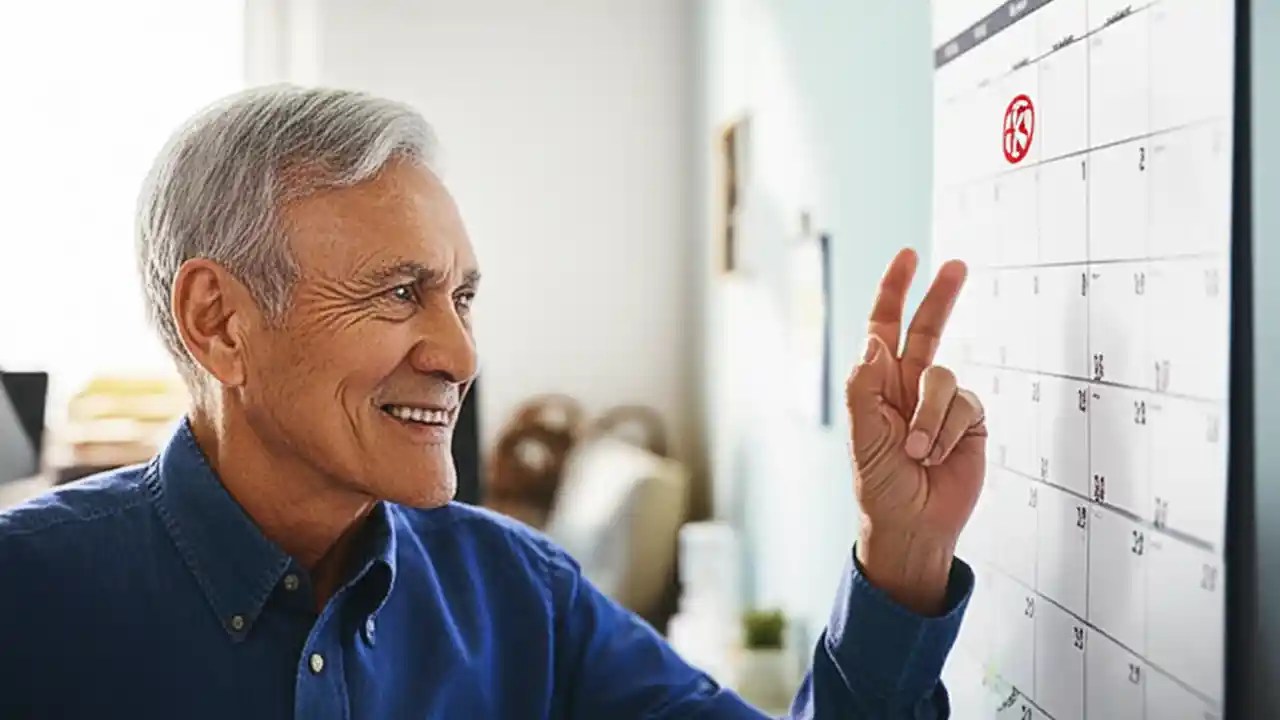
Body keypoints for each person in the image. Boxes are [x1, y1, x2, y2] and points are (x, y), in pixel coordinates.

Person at [0, 86, 986, 719]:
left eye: (461, 295)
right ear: (220, 322)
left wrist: (897, 565)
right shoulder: (29, 598)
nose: (461, 353)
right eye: (399, 293)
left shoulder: (521, 596)